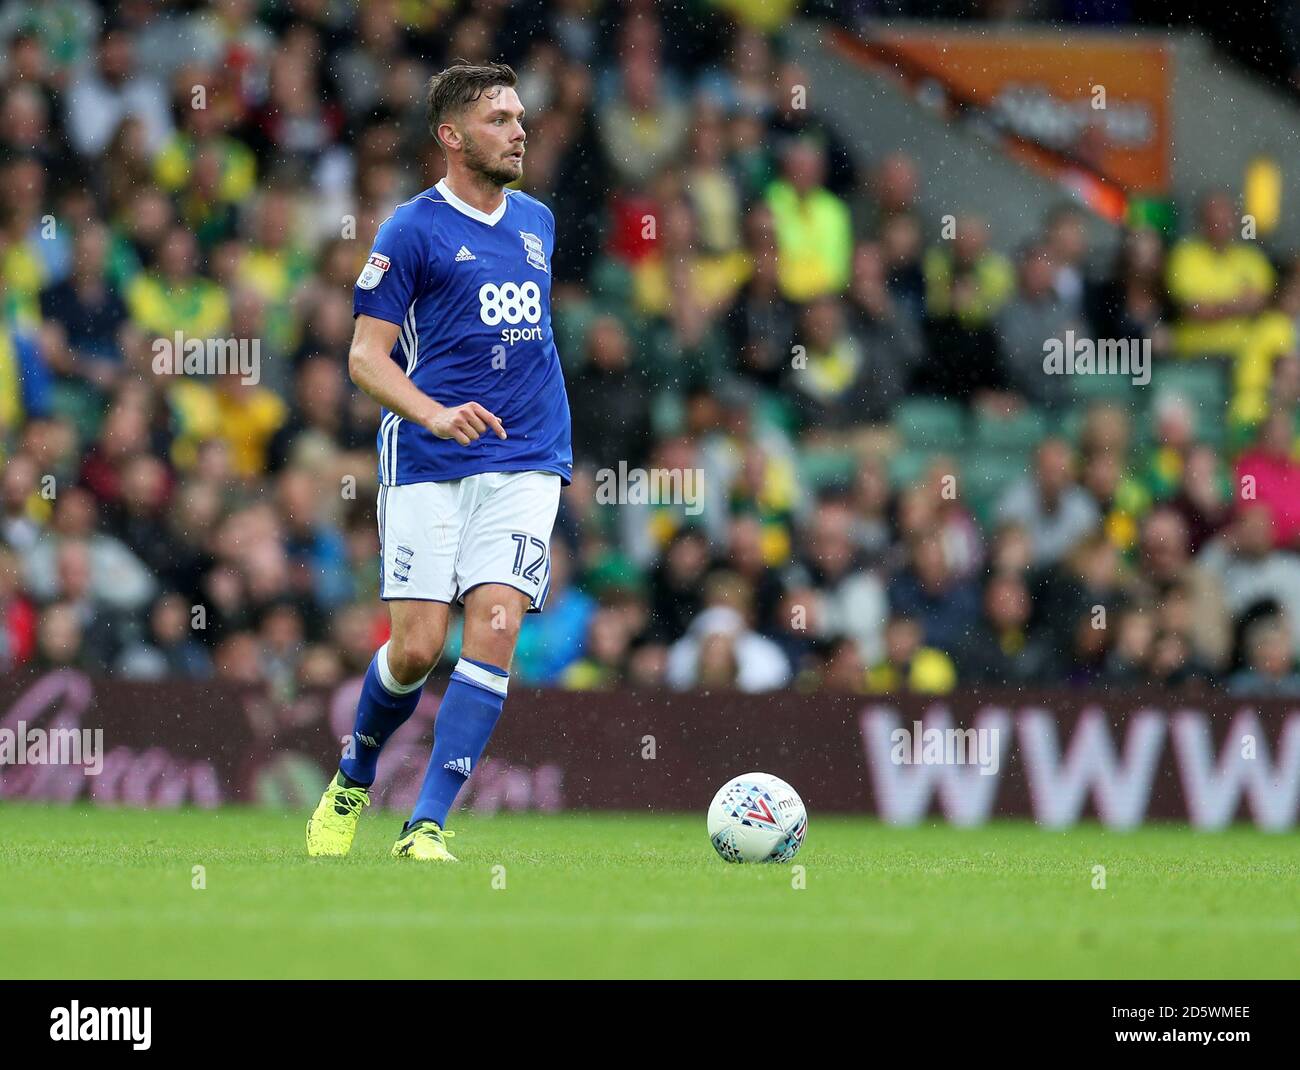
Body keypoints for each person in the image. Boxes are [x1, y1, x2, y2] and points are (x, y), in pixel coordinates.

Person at [306, 62, 572, 863]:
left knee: (494, 627)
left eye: (520, 116)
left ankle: (425, 825)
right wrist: (432, 411)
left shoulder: (538, 222)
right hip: (427, 454)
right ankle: (354, 775)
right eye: (498, 119)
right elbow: (364, 357)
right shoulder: (410, 231)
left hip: (527, 457)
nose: (519, 130)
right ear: (452, 136)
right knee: (419, 646)